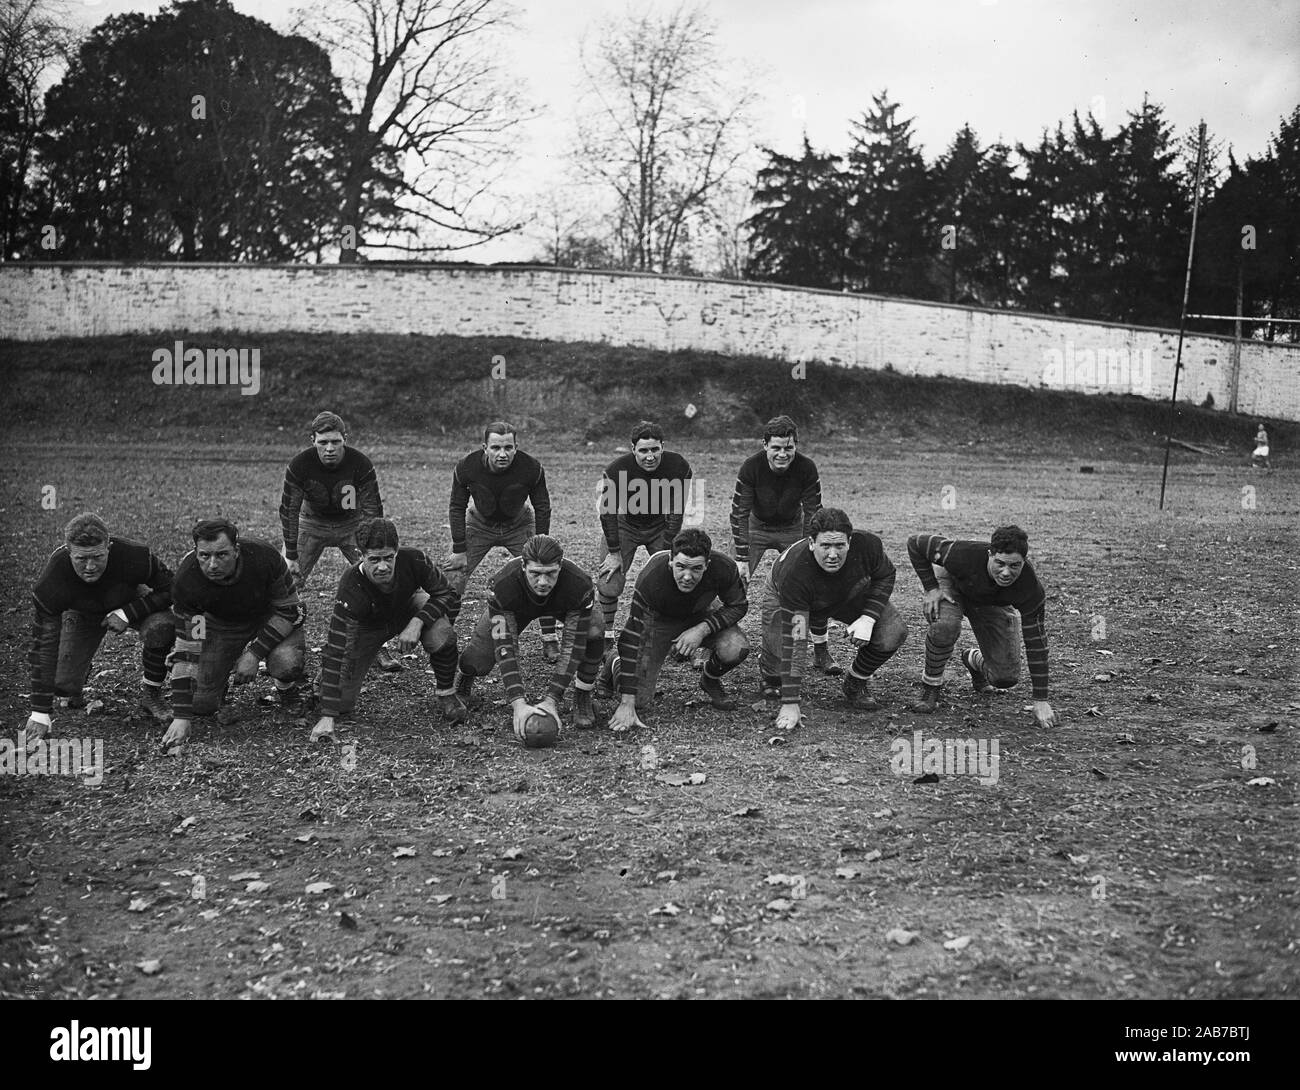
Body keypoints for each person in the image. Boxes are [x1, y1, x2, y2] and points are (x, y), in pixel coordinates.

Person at [23, 512, 175, 744]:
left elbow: (171, 588)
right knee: (62, 686)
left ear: (109, 547)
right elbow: (43, 645)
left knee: (162, 627)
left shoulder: (135, 555)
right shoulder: (52, 581)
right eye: (81, 559)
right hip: (81, 610)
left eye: (97, 557)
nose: (90, 566)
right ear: (68, 551)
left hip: (127, 598)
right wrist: (39, 713)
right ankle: (78, 669)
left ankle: (151, 693)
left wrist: (128, 613)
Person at [309, 518, 461, 742]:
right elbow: (336, 647)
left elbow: (447, 593)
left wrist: (418, 622)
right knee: (342, 704)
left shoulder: (414, 559)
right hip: (367, 628)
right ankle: (325, 681)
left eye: (388, 558)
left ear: (397, 552)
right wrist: (328, 715)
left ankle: (447, 693)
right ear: (361, 555)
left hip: (406, 609)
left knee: (442, 633)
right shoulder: (351, 586)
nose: (382, 566)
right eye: (374, 559)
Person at [759, 508, 908, 731]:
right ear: (811, 543)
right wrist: (791, 703)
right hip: (789, 592)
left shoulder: (868, 545)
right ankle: (769, 667)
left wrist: (868, 617)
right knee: (779, 664)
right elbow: (796, 641)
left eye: (839, 546)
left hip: (843, 592)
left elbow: (885, 574)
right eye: (825, 546)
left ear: (850, 541)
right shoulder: (796, 576)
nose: (832, 554)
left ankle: (855, 683)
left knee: (892, 631)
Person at [161, 519, 307, 746]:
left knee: (287, 663)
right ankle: (219, 677)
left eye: (221, 555)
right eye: (204, 556)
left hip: (270, 617)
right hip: (222, 625)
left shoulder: (264, 556)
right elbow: (189, 645)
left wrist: (254, 654)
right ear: (195, 552)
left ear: (236, 550)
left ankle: (286, 689)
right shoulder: (187, 580)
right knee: (201, 704)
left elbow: (291, 610)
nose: (212, 565)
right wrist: (181, 716)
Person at [905, 524, 1056, 728]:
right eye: (1000, 563)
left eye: (1014, 566)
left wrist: (1041, 700)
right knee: (945, 626)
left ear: (1024, 561)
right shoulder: (962, 554)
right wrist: (931, 588)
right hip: (954, 586)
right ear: (989, 554)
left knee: (1005, 678)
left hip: (990, 602)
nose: (1005, 572)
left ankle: (973, 659)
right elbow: (916, 542)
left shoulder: (1030, 589)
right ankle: (931, 686)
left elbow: (1036, 642)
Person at [279, 410, 398, 669]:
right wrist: (290, 553)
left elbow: (372, 509)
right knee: (285, 583)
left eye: (336, 442)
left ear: (345, 439)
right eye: (323, 442)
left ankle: (379, 645)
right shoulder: (300, 465)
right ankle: (278, 645)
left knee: (377, 578)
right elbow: (289, 509)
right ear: (313, 440)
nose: (330, 448)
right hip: (311, 524)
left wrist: (372, 547)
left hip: (352, 524)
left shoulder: (360, 463)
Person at [453, 535, 605, 738]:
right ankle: (466, 676)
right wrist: (518, 703)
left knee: (594, 629)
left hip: (562, 606)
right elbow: (505, 647)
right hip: (516, 608)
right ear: (523, 566)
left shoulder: (578, 584)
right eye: (535, 573)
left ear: (560, 566)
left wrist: (552, 699)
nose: (543, 582)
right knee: (478, 658)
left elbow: (572, 647)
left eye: (550, 573)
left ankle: (583, 694)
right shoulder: (502, 585)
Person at [604, 529, 749, 732]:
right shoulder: (651, 579)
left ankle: (710, 679)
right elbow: (631, 637)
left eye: (696, 568)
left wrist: (701, 630)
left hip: (702, 612)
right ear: (670, 560)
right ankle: (614, 661)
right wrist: (626, 704)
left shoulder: (724, 566)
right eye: (680, 567)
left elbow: (738, 605)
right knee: (639, 700)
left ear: (707, 565)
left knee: (735, 647)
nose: (687, 576)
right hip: (658, 621)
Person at [729, 414, 838, 673]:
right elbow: (739, 513)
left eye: (788, 448)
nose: (782, 454)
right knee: (730, 579)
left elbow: (814, 511)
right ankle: (711, 644)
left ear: (796, 446)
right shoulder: (751, 467)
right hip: (757, 527)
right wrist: (742, 558)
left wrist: (809, 550)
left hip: (792, 528)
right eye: (776, 447)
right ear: (765, 445)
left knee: (812, 584)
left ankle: (821, 651)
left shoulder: (807, 468)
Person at [443, 421, 557, 660]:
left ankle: (549, 637)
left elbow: (542, 506)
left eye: (508, 447)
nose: (502, 454)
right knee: (454, 575)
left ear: (516, 447)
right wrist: (458, 548)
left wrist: (540, 543)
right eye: (496, 447)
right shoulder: (467, 467)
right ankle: (443, 634)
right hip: (479, 524)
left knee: (542, 572)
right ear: (485, 447)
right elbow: (456, 505)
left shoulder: (531, 468)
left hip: (519, 524)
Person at [596, 420, 694, 633]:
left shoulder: (678, 466)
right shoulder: (616, 470)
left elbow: (676, 512)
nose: (650, 456)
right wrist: (614, 552)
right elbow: (607, 513)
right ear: (633, 449)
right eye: (643, 450)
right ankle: (605, 635)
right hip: (626, 525)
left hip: (660, 526)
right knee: (609, 583)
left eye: (654, 449)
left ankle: (673, 633)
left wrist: (668, 551)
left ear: (662, 447)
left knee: (673, 577)